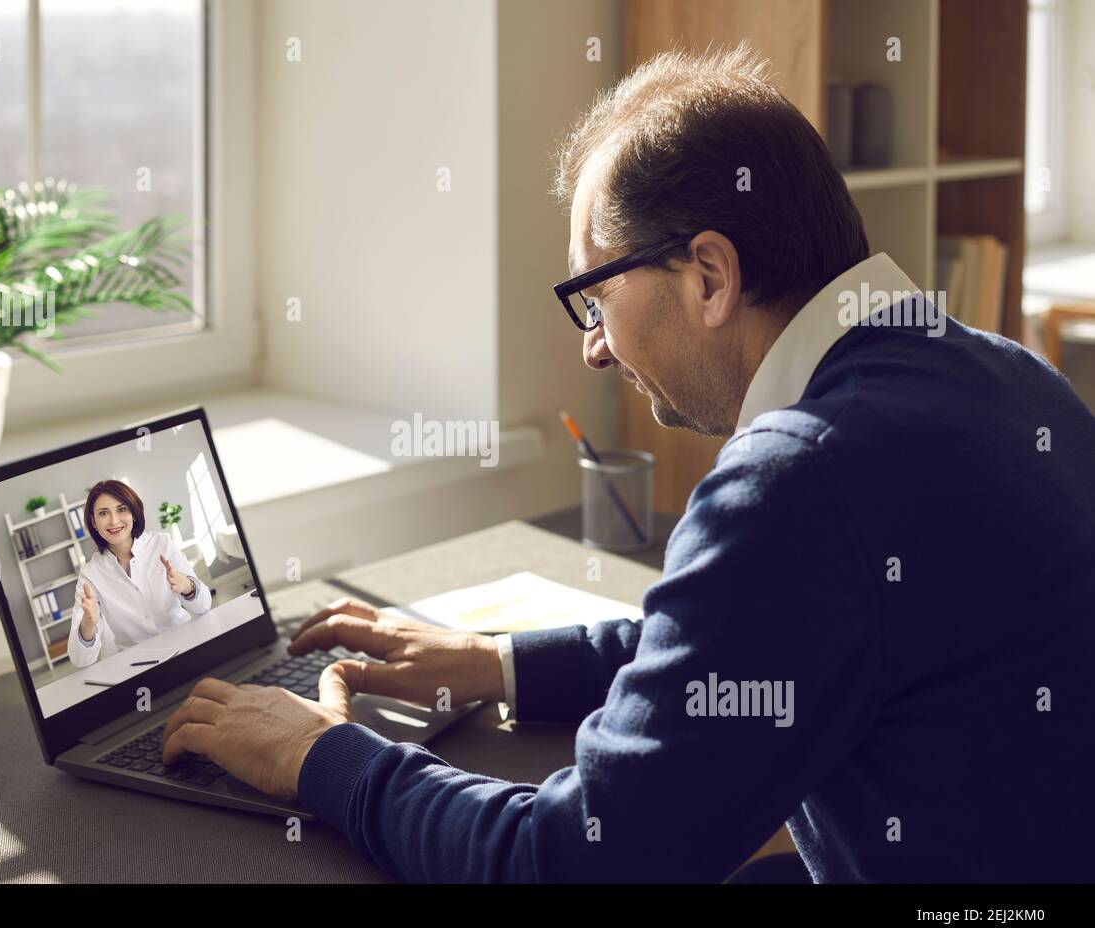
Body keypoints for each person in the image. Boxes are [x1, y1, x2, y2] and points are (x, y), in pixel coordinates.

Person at [157, 45, 1095, 881]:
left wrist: (324, 755)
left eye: (595, 298)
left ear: (711, 277)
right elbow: (754, 641)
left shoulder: (803, 475)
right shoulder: (1004, 372)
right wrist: (500, 665)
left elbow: (563, 861)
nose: (593, 349)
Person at [67, 479, 210, 669]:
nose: (114, 521)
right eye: (103, 513)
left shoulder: (162, 544)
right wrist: (87, 624)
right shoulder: (90, 574)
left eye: (122, 509)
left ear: (133, 513)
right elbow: (80, 660)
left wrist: (187, 587)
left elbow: (204, 605)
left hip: (186, 648)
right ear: (93, 522)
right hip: (138, 667)